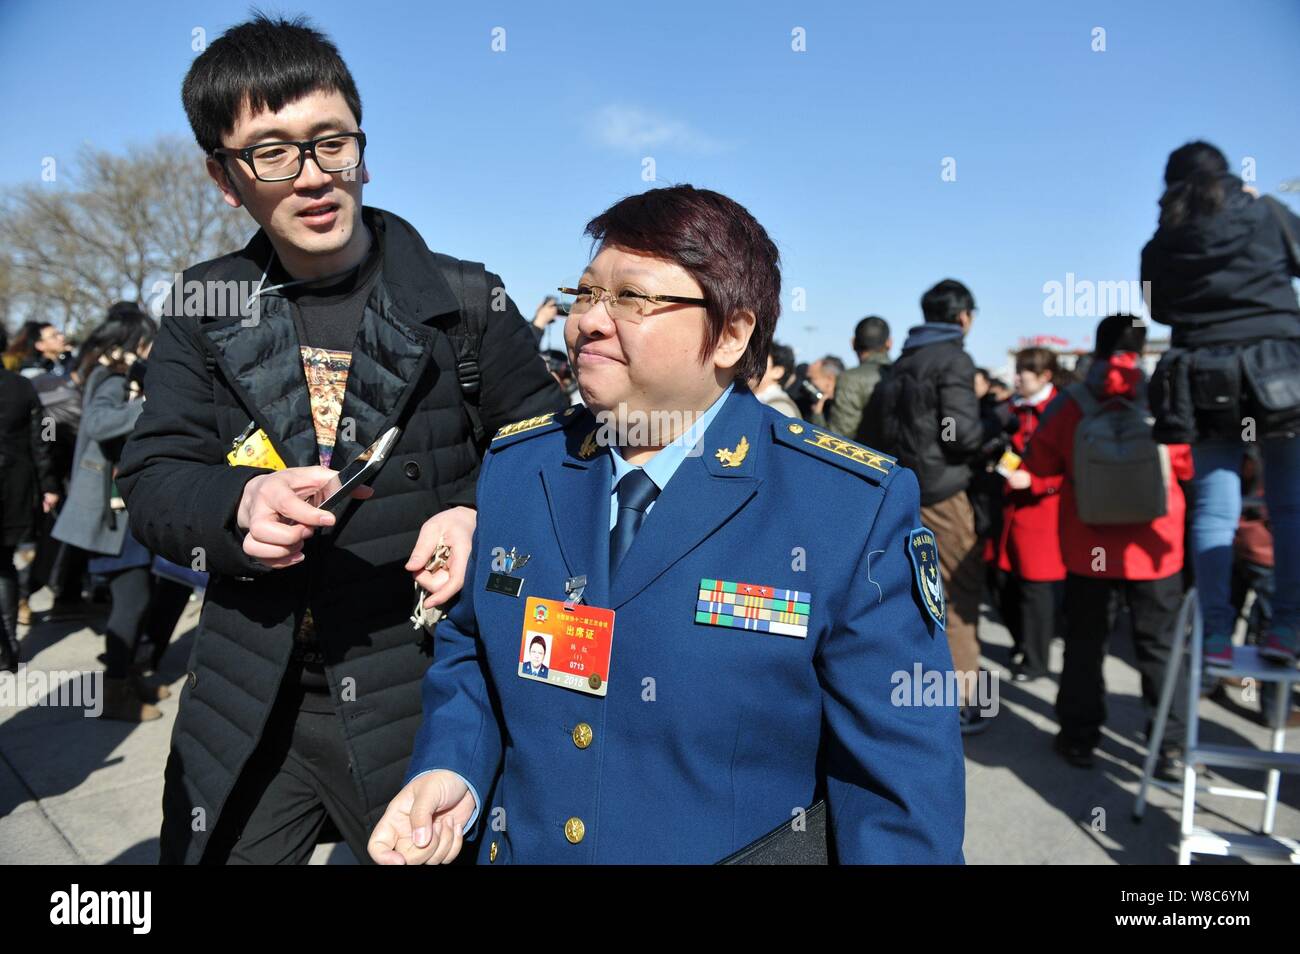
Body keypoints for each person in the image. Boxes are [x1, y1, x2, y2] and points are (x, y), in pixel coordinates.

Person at [370, 185, 965, 865]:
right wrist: (454, 772)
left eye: (633, 299)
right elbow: (472, 655)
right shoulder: (519, 467)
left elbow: (899, 795)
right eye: (586, 293)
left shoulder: (844, 506)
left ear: (732, 334)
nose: (590, 320)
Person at [115, 14, 565, 864]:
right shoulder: (204, 304)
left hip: (426, 695)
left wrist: (479, 514)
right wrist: (237, 502)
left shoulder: (466, 302)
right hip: (249, 701)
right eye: (273, 153)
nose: (314, 176)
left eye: (333, 143)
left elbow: (549, 459)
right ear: (224, 177)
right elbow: (154, 475)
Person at [1143, 140, 1300, 668]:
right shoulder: (1267, 213)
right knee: (1289, 506)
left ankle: (1213, 637)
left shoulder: (1163, 241)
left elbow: (1160, 309)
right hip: (1281, 375)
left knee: (1214, 511)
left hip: (1208, 381)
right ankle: (1287, 628)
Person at [1023, 316, 1193, 774]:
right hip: (1156, 547)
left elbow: (1041, 461)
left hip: (1087, 549)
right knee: (1161, 648)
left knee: (1084, 644)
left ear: (1097, 348)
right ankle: (1169, 746)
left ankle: (1079, 737)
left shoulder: (1073, 401)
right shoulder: (1164, 395)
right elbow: (1188, 463)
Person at [861, 279, 999, 733]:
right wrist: (988, 438)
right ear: (963, 317)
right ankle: (965, 703)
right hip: (944, 493)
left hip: (904, 492)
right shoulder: (953, 358)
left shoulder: (903, 361)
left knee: (912, 597)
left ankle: (917, 694)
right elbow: (957, 432)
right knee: (958, 594)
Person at [50, 304, 172, 719]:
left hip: (118, 511)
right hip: (110, 513)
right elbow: (101, 424)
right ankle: (115, 692)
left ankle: (128, 679)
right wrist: (150, 406)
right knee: (132, 601)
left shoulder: (117, 375)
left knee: (138, 598)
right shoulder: (111, 378)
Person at [997, 347, 1065, 682]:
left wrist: (1038, 483)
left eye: (1026, 372)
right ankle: (1021, 643)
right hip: (1009, 508)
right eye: (1018, 370)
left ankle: (1036, 661)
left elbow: (1075, 469)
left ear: (1045, 376)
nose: (1018, 377)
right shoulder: (1013, 408)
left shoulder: (1062, 411)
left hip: (1043, 515)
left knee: (1036, 591)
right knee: (1004, 585)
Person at [0, 326, 60, 671]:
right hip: (15, 485)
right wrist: (48, 484)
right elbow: (43, 440)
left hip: (15, 483)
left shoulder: (23, 385)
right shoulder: (22, 386)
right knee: (4, 563)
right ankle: (7, 647)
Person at [831, 315, 891, 439]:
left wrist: (817, 414)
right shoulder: (903, 373)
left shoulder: (850, 379)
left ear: (853, 343)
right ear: (889, 343)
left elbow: (839, 437)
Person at [751, 341, 801, 418]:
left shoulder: (780, 407)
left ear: (777, 372)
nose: (749, 366)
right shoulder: (754, 399)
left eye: (758, 362)